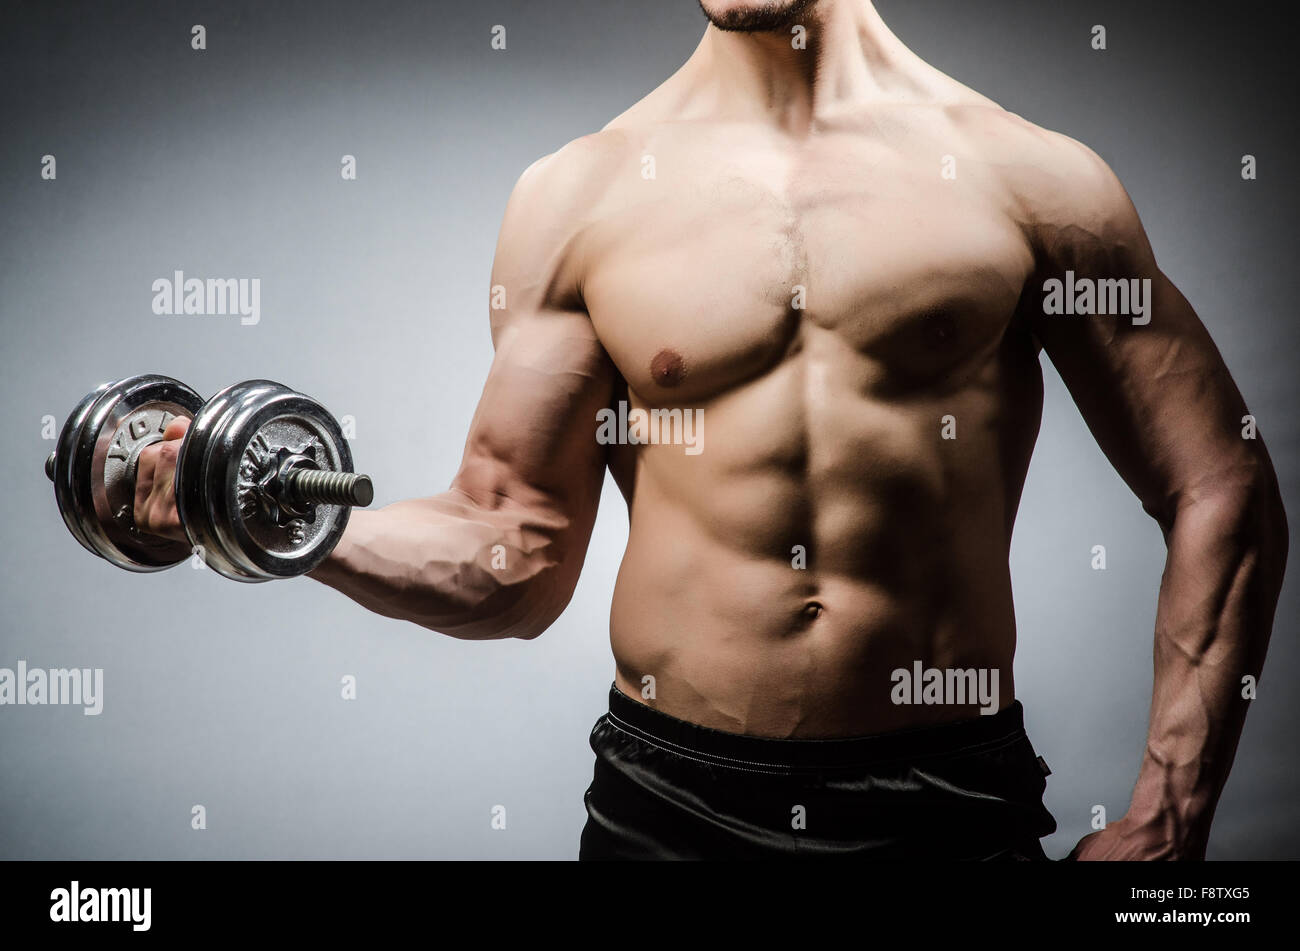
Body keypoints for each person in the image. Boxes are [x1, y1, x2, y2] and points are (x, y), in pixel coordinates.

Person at [133, 0, 1288, 859]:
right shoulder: (579, 199)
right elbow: (514, 556)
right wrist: (255, 511)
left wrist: (1172, 812)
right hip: (668, 804)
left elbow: (1218, 483)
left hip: (943, 796)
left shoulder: (1033, 183)